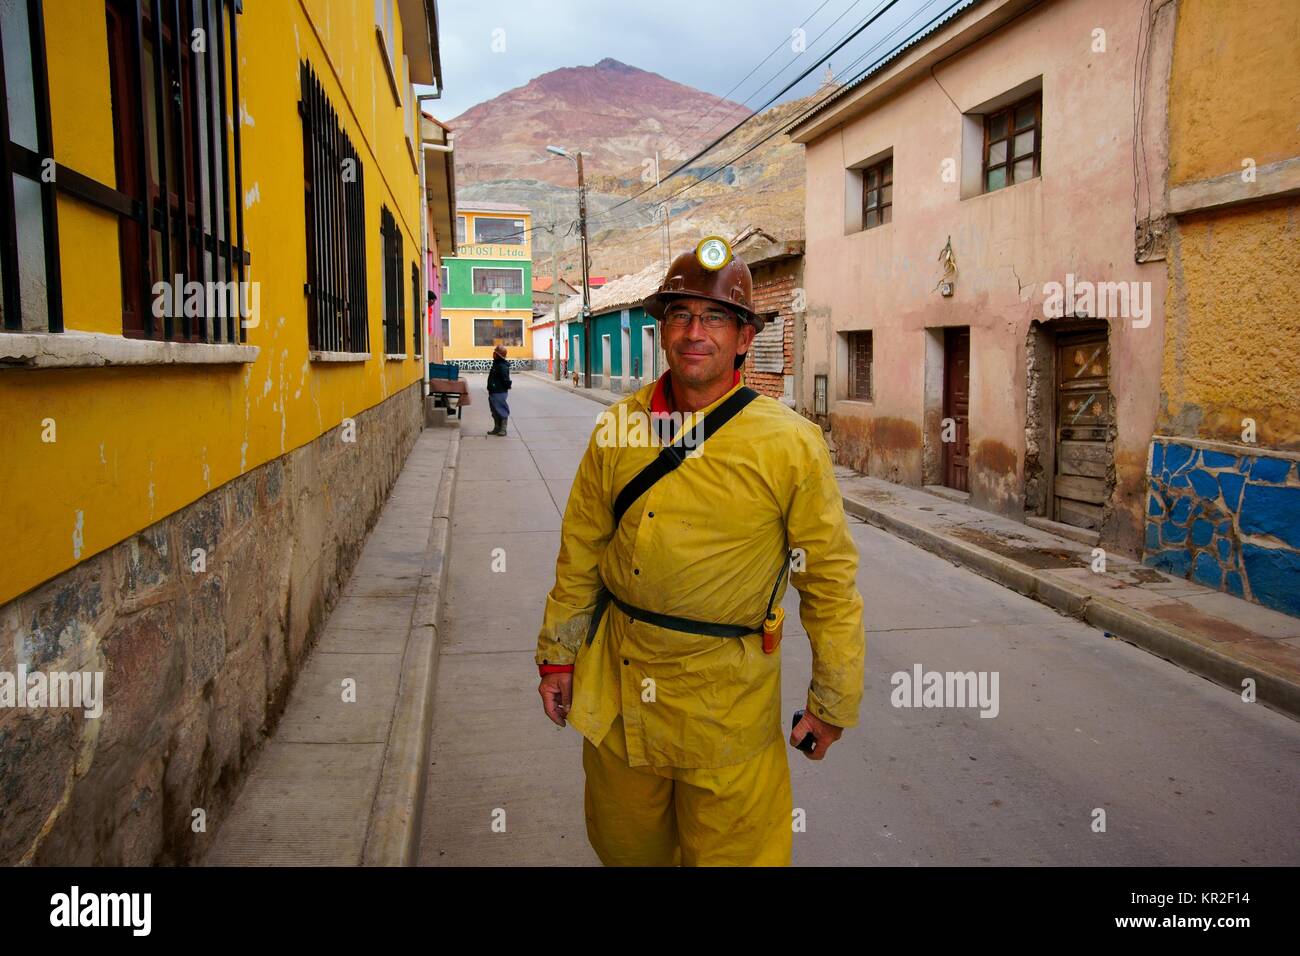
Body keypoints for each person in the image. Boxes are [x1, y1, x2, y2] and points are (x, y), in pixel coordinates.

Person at [535, 237, 865, 866]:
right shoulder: (617, 428)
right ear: (662, 330)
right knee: (625, 849)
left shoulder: (791, 445)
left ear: (744, 339)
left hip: (727, 708)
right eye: (681, 315)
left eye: (715, 317)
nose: (695, 332)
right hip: (619, 690)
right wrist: (557, 655)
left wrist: (832, 701)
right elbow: (580, 550)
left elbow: (828, 584)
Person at [486, 344, 511, 436]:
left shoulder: (502, 366)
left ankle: (503, 429)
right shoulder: (496, 364)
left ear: (498, 355)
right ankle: (497, 427)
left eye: (495, 353)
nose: (493, 354)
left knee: (501, 409)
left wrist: (507, 385)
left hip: (499, 391)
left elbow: (505, 379)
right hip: (493, 390)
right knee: (494, 410)